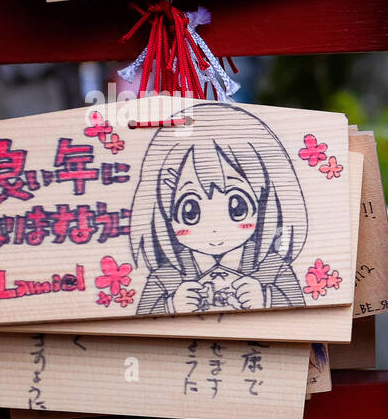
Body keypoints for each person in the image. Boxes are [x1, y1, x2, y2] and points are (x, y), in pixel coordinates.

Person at [129, 103, 308, 314]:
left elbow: (304, 312)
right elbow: (141, 318)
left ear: (263, 199)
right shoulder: (166, 277)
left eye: (237, 208)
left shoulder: (272, 269)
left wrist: (268, 299)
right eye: (190, 212)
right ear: (163, 209)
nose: (215, 229)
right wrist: (170, 306)